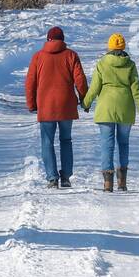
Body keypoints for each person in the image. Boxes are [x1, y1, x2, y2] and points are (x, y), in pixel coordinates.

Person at [82, 32, 139, 192]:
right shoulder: (130, 65)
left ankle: (108, 183)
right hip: (126, 109)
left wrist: (86, 103)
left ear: (109, 47)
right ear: (123, 47)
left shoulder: (102, 64)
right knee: (123, 143)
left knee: (107, 145)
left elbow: (95, 87)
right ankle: (122, 182)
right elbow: (136, 89)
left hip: (106, 109)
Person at [25, 26, 87, 188]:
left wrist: (32, 103)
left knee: (47, 142)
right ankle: (66, 176)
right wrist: (84, 99)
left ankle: (52, 178)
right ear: (63, 40)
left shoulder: (38, 57)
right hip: (66, 105)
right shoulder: (71, 55)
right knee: (66, 140)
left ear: (48, 40)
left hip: (46, 106)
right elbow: (80, 80)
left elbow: (30, 82)